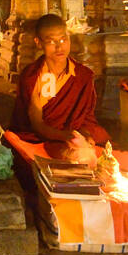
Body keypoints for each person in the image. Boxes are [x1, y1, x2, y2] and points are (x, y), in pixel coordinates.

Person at [8, 13, 109, 162]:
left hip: (73, 135)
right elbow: (36, 124)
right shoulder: (32, 76)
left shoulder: (83, 75)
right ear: (38, 43)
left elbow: (86, 116)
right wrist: (64, 136)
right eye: (51, 41)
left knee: (103, 147)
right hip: (40, 136)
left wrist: (84, 134)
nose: (59, 47)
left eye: (63, 39)